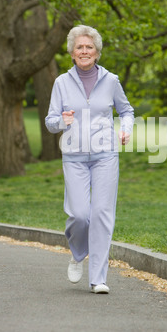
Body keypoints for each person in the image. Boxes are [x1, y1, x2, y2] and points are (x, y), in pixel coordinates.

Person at [45, 25, 134, 294]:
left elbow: (126, 110)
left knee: (101, 214)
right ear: (72, 53)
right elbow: (50, 122)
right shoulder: (61, 82)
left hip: (105, 154)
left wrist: (126, 129)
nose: (84, 51)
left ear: (97, 52)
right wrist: (62, 120)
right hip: (74, 157)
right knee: (80, 215)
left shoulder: (111, 81)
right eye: (79, 47)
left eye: (89, 47)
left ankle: (98, 278)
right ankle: (77, 253)